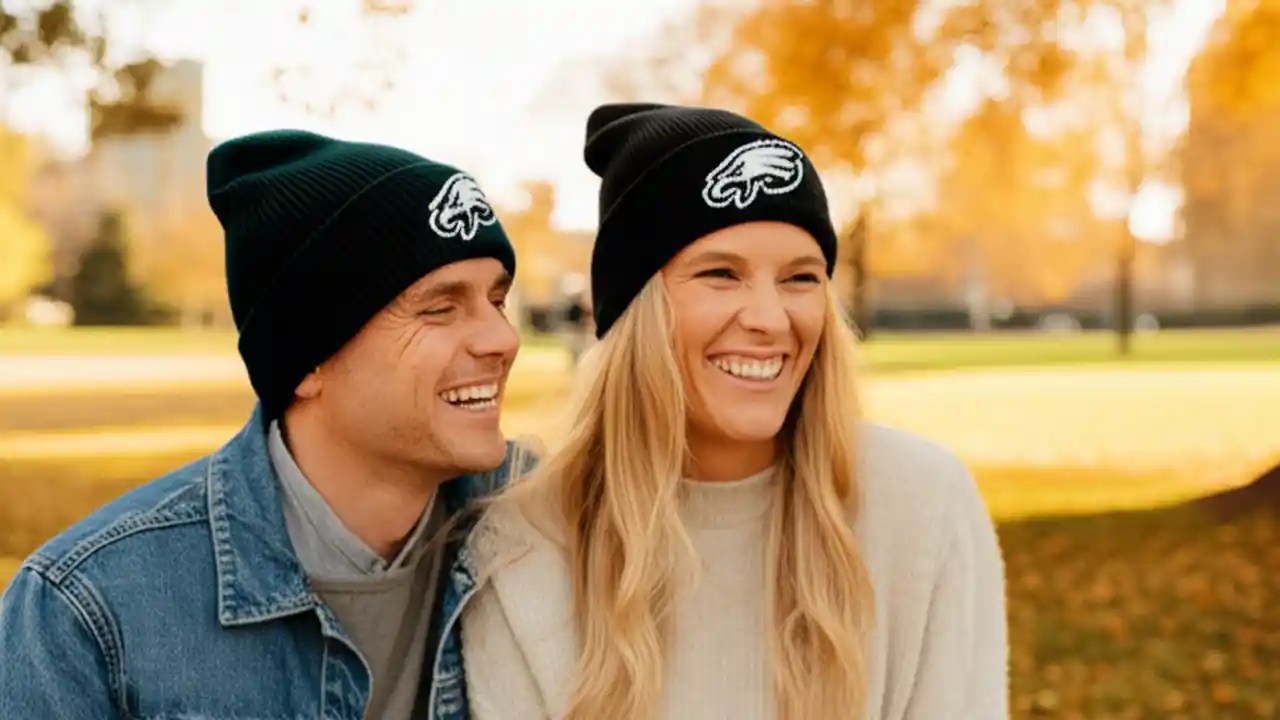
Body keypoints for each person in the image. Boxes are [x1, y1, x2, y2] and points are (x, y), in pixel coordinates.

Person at [460, 104, 1009, 719]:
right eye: (722, 274)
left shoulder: (921, 504)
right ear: (636, 311)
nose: (770, 318)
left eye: (801, 279)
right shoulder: (525, 544)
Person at [0, 130, 529, 720]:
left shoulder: (558, 537)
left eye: (497, 301)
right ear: (308, 362)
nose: (502, 339)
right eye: (439, 308)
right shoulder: (88, 611)